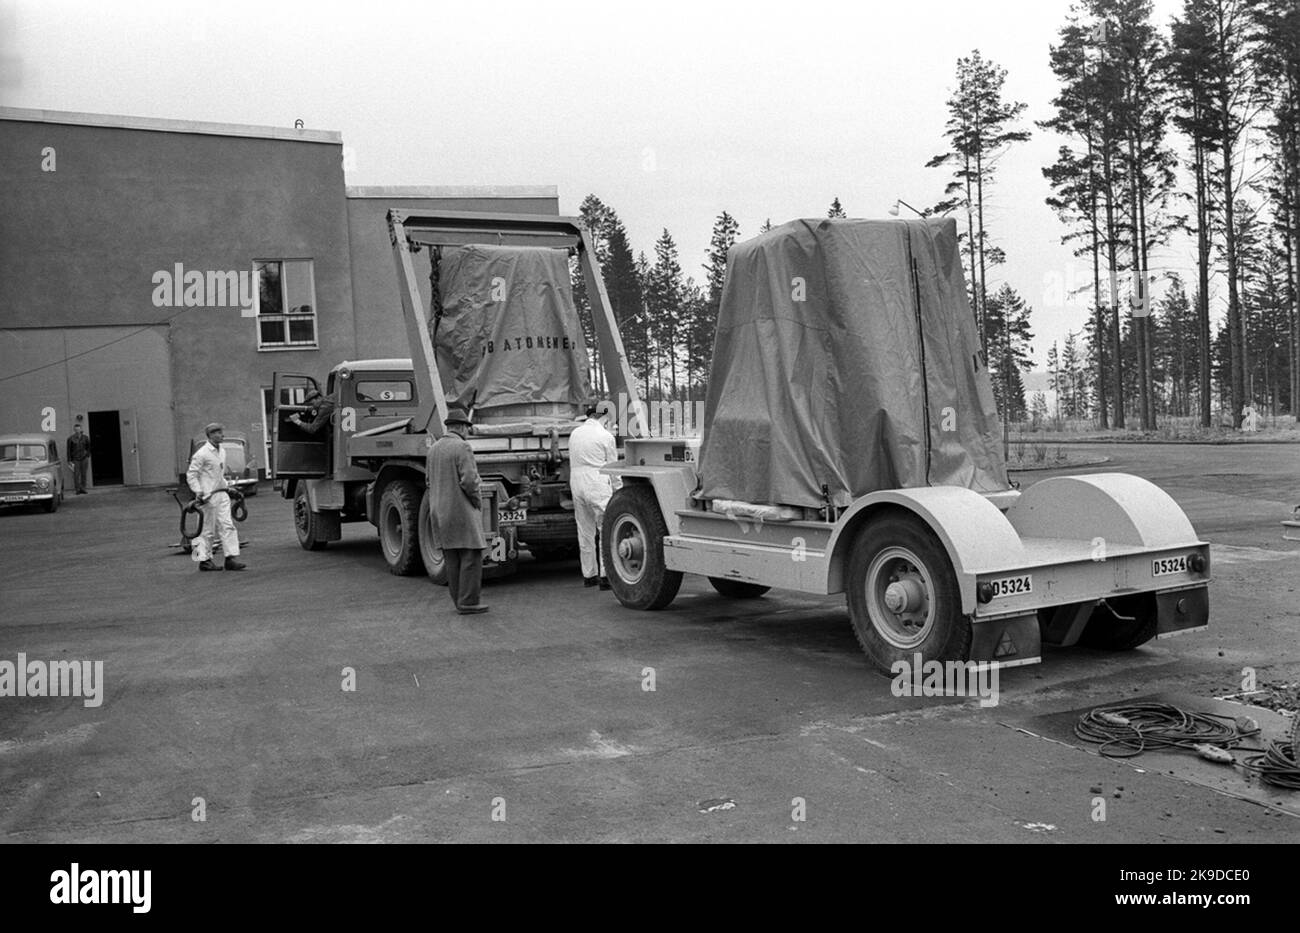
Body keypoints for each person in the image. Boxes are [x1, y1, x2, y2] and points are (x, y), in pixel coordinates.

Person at [426, 405, 488, 614]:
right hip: (460, 509)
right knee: (472, 555)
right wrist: (477, 502)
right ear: (461, 427)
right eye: (467, 428)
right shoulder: (462, 447)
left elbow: (428, 481)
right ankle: (469, 602)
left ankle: (458, 601)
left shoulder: (433, 449)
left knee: (452, 557)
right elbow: (470, 481)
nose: (468, 432)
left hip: (439, 511)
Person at [569, 400, 618, 589]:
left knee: (585, 531)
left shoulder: (575, 434)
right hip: (597, 482)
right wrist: (618, 490)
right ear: (603, 416)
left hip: (577, 482)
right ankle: (606, 577)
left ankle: (589, 575)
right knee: (605, 529)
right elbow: (612, 468)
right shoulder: (605, 436)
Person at [186, 422, 245, 572]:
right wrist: (198, 491)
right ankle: (202, 560)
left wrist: (228, 487)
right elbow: (191, 475)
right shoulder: (201, 454)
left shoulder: (222, 451)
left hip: (221, 493)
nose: (221, 435)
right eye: (217, 432)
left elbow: (219, 474)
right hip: (207, 496)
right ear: (210, 435)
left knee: (227, 525)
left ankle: (231, 558)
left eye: (221, 432)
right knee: (205, 529)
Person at [67, 423, 92, 494]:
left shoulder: (85, 438)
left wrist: (87, 455)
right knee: (76, 475)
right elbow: (68, 450)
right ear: (74, 430)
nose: (77, 430)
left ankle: (83, 488)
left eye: (78, 429)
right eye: (76, 429)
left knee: (84, 474)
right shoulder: (70, 439)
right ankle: (77, 489)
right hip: (75, 459)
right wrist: (69, 460)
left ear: (81, 429)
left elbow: (89, 447)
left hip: (84, 458)